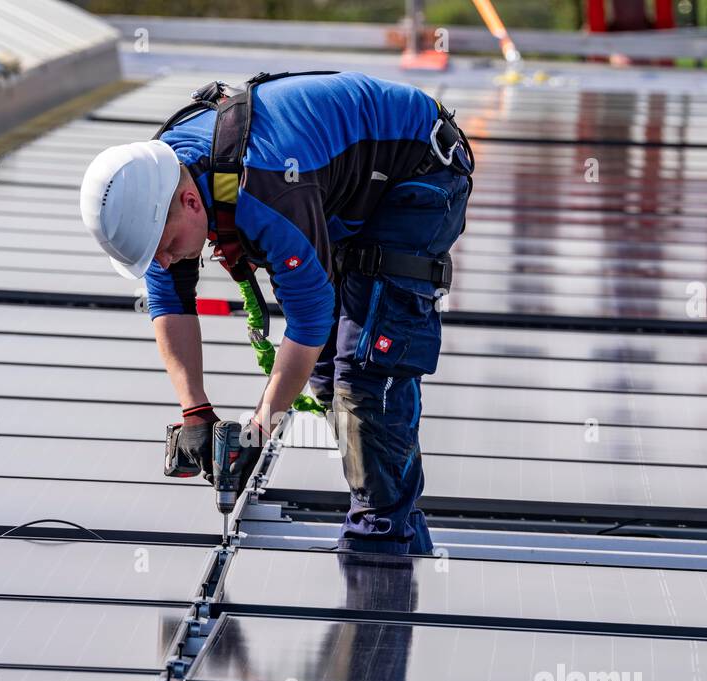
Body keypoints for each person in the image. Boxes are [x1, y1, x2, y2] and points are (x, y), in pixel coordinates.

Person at [80, 71, 472, 555]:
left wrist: (259, 428)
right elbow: (168, 301)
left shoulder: (265, 189)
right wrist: (195, 410)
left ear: (188, 202)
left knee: (368, 365)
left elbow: (307, 321)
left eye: (164, 249)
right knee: (326, 369)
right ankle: (402, 523)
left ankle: (381, 540)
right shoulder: (160, 183)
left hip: (417, 170)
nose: (161, 262)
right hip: (336, 183)